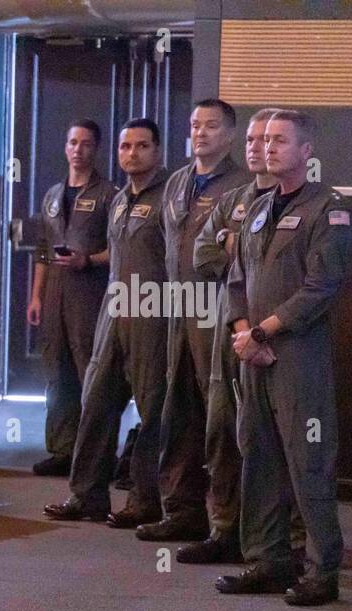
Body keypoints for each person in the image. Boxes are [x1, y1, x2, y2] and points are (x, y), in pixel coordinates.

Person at [215, 110, 352, 607]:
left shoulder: (330, 210)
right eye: (265, 139)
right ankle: (268, 560)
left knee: (309, 460)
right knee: (259, 458)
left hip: (298, 357)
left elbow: (323, 287)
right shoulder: (257, 208)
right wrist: (242, 333)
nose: (268, 148)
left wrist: (262, 330)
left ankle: (322, 571)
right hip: (253, 356)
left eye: (281, 140)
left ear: (306, 152)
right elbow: (235, 280)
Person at [44, 119, 171, 528]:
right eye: (125, 146)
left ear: (158, 152)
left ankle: (145, 500)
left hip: (152, 311)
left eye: (142, 146)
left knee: (153, 409)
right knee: (95, 401)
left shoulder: (170, 197)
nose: (132, 154)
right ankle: (87, 495)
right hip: (113, 309)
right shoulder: (119, 203)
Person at [141, 99, 251, 544]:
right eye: (194, 125)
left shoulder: (243, 184)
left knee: (221, 416)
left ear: (229, 134)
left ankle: (228, 522)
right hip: (176, 307)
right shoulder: (176, 182)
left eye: (210, 126)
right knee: (178, 410)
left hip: (219, 308)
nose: (200, 133)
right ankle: (182, 510)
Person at [181, 108, 282, 564]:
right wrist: (234, 245)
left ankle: (282, 541)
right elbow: (203, 255)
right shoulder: (234, 200)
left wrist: (233, 243)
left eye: (268, 140)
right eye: (253, 141)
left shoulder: (299, 203)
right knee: (221, 432)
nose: (258, 148)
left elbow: (281, 263)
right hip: (230, 330)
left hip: (278, 339)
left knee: (271, 441)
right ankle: (224, 529)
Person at [27, 119, 117, 477]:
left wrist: (88, 260)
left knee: (90, 374)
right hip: (54, 298)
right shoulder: (51, 195)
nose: (78, 150)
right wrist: (35, 297)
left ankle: (96, 455)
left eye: (86, 144)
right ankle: (63, 449)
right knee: (57, 373)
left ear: (95, 150)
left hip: (90, 295)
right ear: (65, 147)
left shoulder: (109, 195)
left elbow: (121, 250)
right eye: (72, 142)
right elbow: (43, 251)